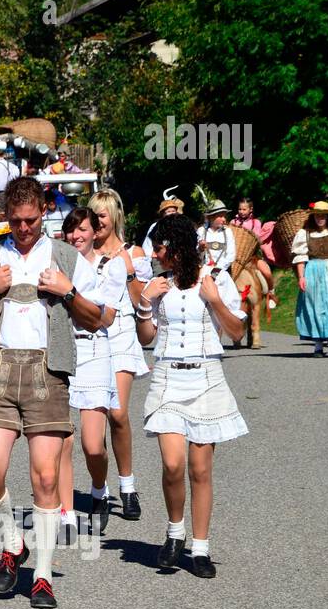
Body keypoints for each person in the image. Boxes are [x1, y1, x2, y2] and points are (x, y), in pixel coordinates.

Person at [0, 176, 103, 609]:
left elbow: (96, 319)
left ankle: (42, 576)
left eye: (31, 220)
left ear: (44, 213)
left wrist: (67, 291)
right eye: (16, 221)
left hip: (47, 372)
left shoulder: (66, 257)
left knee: (47, 477)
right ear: (6, 217)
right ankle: (13, 543)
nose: (23, 229)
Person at [133, 214, 249, 578]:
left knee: (200, 469)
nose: (154, 254)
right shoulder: (158, 284)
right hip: (168, 378)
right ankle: (175, 532)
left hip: (206, 379)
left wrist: (215, 301)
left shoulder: (215, 279)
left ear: (175, 247)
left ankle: (200, 548)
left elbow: (236, 332)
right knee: (172, 464)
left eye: (159, 248)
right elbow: (146, 338)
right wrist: (145, 304)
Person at [57, 208, 120, 540]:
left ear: (95, 232)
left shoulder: (109, 267)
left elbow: (104, 318)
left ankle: (99, 489)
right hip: (62, 350)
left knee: (93, 445)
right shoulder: (56, 265)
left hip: (94, 352)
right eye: (71, 230)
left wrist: (70, 292)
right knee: (63, 440)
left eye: (82, 229)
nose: (76, 236)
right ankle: (66, 514)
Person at [88, 188, 151, 522]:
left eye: (102, 215)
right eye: (92, 214)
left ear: (114, 217)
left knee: (118, 412)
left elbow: (142, 301)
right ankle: (99, 489)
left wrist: (128, 271)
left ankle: (127, 486)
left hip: (123, 332)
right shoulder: (83, 251)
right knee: (95, 424)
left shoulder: (133, 252)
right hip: (92, 336)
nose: (97, 221)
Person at [292, 202, 328, 357]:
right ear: (313, 216)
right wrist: (301, 277)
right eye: (317, 215)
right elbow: (300, 257)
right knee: (314, 307)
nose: (320, 218)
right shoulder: (304, 234)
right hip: (312, 271)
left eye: (323, 215)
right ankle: (318, 347)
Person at [197, 201, 236, 275]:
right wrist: (200, 248)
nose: (224, 219)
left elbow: (231, 256)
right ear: (211, 217)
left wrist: (215, 272)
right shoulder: (201, 231)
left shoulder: (227, 232)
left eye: (224, 216)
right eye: (221, 216)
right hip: (203, 272)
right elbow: (196, 254)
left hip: (222, 272)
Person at [142, 190, 183, 255]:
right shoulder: (155, 226)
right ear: (162, 214)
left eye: (173, 211)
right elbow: (147, 247)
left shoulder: (181, 225)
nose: (171, 214)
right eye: (168, 212)